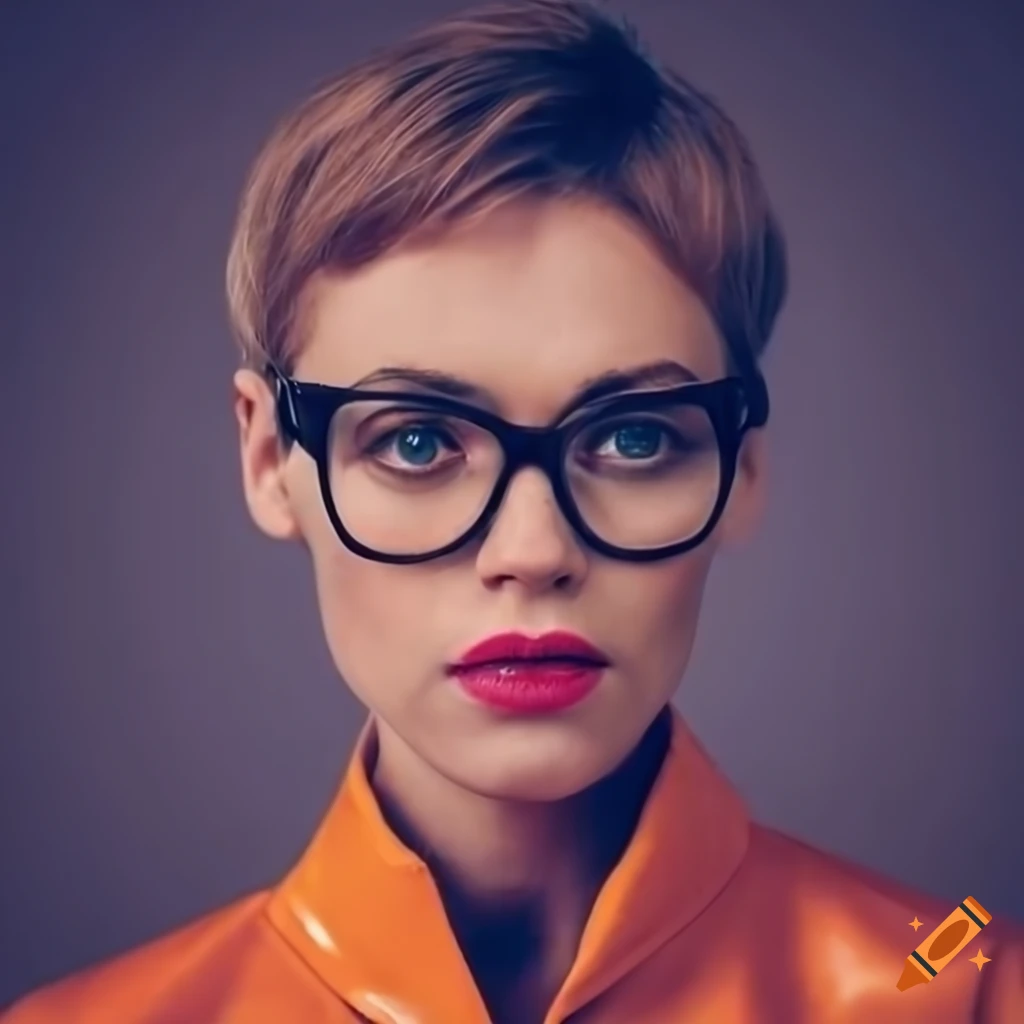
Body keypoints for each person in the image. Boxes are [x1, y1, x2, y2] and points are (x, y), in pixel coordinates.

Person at [4, 1, 1022, 1021]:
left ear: (743, 463)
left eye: (633, 438)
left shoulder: (966, 991)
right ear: (270, 457)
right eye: (416, 441)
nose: (532, 552)